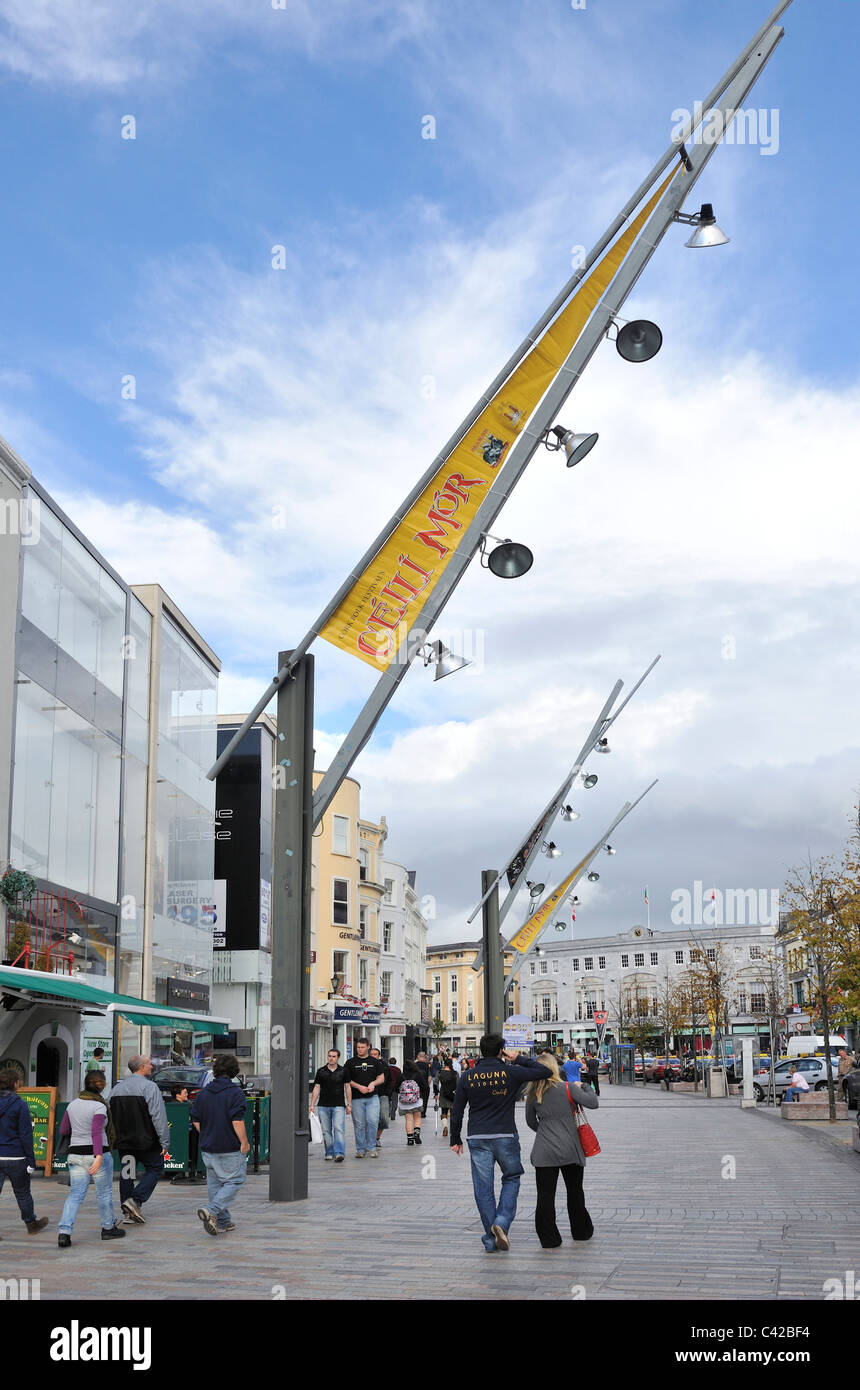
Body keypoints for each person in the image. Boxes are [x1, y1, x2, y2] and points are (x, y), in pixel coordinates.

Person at [450, 1035, 551, 1253]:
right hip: (504, 1134)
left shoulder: (468, 1076)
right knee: (512, 1177)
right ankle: (502, 1222)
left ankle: (490, 1239)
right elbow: (545, 1071)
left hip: (477, 1136)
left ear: (481, 1049)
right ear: (501, 1051)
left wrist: (455, 1138)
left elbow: (457, 1111)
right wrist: (517, 1059)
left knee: (483, 1187)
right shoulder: (510, 1072)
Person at [524, 1051, 598, 1248]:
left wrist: (546, 1132)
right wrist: (584, 1085)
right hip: (570, 1148)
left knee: (545, 1196)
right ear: (554, 1068)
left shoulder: (533, 1094)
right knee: (575, 1191)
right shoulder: (567, 1088)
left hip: (544, 1151)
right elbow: (593, 1103)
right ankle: (581, 1231)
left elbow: (531, 1122)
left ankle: (549, 1238)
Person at [57, 1071, 125, 1247]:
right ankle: (108, 1228)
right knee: (104, 1193)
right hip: (97, 1153)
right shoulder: (99, 1107)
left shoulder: (72, 1105)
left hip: (75, 1154)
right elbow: (96, 1132)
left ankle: (64, 1232)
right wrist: (98, 1156)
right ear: (101, 1085)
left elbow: (63, 1131)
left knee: (75, 1195)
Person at [191, 1053, 249, 1235]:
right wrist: (245, 1142)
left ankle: (223, 1221)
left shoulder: (203, 1093)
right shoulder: (235, 1093)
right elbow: (237, 1121)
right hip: (229, 1147)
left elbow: (196, 1120)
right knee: (235, 1180)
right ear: (234, 1071)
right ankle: (212, 1210)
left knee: (215, 1184)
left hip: (208, 1147)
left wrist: (208, 1133)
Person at [109, 1054, 170, 1223]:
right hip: (146, 1141)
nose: (152, 1066)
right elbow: (158, 1116)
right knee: (156, 1167)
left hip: (124, 1142)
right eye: (149, 1063)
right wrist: (165, 1140)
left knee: (127, 1173)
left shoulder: (116, 1089)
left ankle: (128, 1211)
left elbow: (109, 1115)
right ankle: (135, 1201)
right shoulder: (149, 1087)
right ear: (142, 1066)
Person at [0, 1069, 50, 1236]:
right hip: (16, 1156)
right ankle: (31, 1224)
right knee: (22, 1193)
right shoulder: (20, 1105)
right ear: (15, 1084)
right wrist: (31, 1160)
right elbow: (26, 1135)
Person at [342, 1038, 385, 1158]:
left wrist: (373, 1084)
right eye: (358, 1047)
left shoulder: (375, 1062)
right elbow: (347, 1080)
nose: (359, 1049)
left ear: (368, 1047)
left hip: (372, 1097)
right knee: (359, 1124)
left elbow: (381, 1078)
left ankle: (371, 1147)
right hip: (356, 1098)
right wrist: (359, 1086)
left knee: (373, 1121)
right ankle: (360, 1149)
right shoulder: (350, 1063)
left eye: (362, 1047)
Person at [310, 1048, 349, 1162]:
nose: (331, 1058)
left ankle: (339, 1153)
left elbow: (347, 1087)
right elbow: (317, 1088)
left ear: (338, 1058)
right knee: (326, 1130)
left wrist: (349, 1104)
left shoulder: (343, 1071)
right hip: (323, 1105)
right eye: (329, 1056)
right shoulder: (321, 1071)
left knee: (338, 1128)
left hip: (339, 1105)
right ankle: (329, 1151)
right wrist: (312, 1104)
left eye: (333, 1056)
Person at [397, 1060, 425, 1145]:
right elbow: (424, 1087)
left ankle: (410, 1139)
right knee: (417, 1118)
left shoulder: (401, 1076)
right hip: (416, 1101)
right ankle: (416, 1132)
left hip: (404, 1102)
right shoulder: (418, 1075)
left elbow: (395, 1088)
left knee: (408, 1120)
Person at [370, 1048, 392, 1149]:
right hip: (369, 1095)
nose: (373, 1056)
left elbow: (389, 1080)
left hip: (382, 1095)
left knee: (384, 1118)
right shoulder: (366, 1065)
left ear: (379, 1056)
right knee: (371, 1119)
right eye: (372, 1054)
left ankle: (377, 1137)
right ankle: (371, 1139)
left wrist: (388, 1093)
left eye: (375, 1054)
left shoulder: (384, 1066)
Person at [438, 1058, 458, 1137]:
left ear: (444, 1064)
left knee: (444, 1112)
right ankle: (453, 1130)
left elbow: (435, 1083)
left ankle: (445, 1127)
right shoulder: (455, 1073)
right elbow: (458, 1084)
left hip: (443, 1094)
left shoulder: (439, 1072)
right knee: (453, 1113)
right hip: (453, 1095)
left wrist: (436, 1093)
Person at [414, 1052, 431, 1117]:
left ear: (418, 1057)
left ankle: (417, 1112)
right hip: (425, 1085)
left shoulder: (414, 1065)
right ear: (424, 1057)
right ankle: (423, 1113)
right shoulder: (427, 1065)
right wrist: (428, 1084)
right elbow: (429, 1076)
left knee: (417, 1099)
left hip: (416, 1085)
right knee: (425, 1099)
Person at [387, 1057, 402, 1122]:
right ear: (395, 1062)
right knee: (394, 1101)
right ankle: (393, 1114)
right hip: (395, 1087)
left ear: (389, 1062)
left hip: (387, 1088)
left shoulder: (387, 1069)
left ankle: (388, 1113)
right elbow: (400, 1079)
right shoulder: (398, 1070)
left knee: (387, 1101)